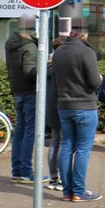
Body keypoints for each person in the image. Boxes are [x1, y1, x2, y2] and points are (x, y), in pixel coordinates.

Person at [54, 24, 103, 202]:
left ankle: (67, 192)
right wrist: (101, 80)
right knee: (83, 149)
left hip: (64, 105)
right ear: (84, 34)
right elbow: (95, 81)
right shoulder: (86, 52)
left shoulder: (58, 52)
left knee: (67, 146)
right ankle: (79, 191)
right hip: (85, 106)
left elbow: (55, 80)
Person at [4, 14, 39, 184]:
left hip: (17, 91)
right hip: (30, 92)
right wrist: (46, 67)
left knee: (19, 131)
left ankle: (16, 172)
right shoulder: (29, 46)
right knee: (29, 132)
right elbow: (29, 72)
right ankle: (26, 172)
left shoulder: (11, 42)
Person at [44, 35, 67, 191]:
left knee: (54, 142)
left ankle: (53, 178)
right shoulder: (63, 67)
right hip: (63, 107)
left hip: (50, 107)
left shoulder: (47, 66)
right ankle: (62, 180)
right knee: (65, 144)